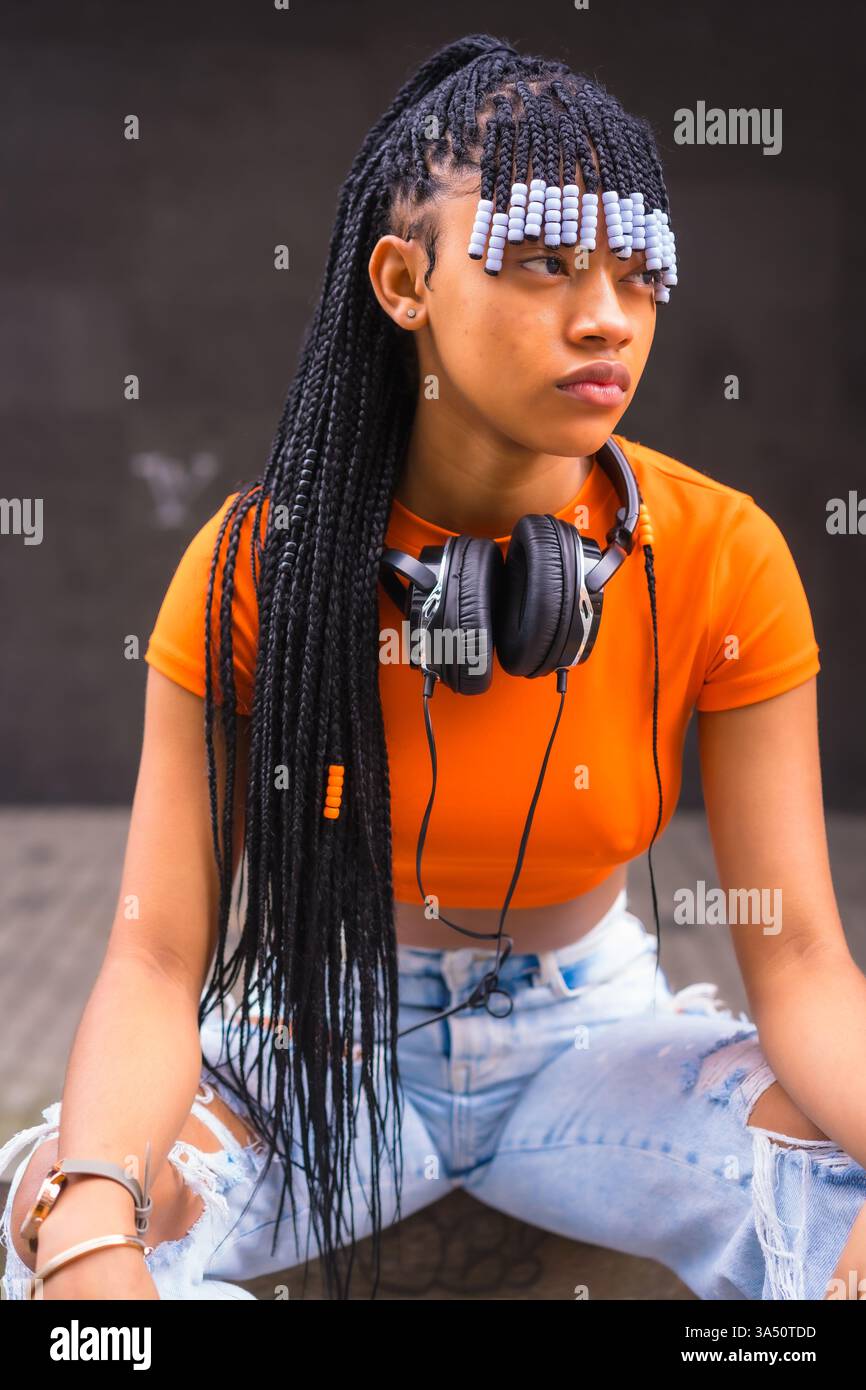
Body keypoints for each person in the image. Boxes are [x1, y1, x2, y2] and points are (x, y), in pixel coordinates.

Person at [3, 32, 866, 1304]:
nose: (605, 317)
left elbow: (794, 956)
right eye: (545, 264)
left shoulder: (721, 554)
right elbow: (151, 958)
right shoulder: (252, 566)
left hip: (598, 1040)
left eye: (638, 274)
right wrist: (96, 1220)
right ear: (402, 281)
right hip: (308, 1042)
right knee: (45, 1249)